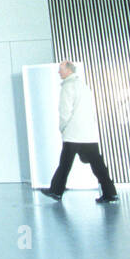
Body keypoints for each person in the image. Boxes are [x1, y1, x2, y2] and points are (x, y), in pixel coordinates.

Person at [39, 61, 118, 203]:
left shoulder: (67, 87)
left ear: (68, 70)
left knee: (65, 164)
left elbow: (65, 111)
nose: (59, 72)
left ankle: (56, 191)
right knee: (98, 165)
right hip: (88, 134)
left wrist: (62, 128)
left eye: (61, 70)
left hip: (73, 134)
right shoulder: (83, 86)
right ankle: (110, 192)